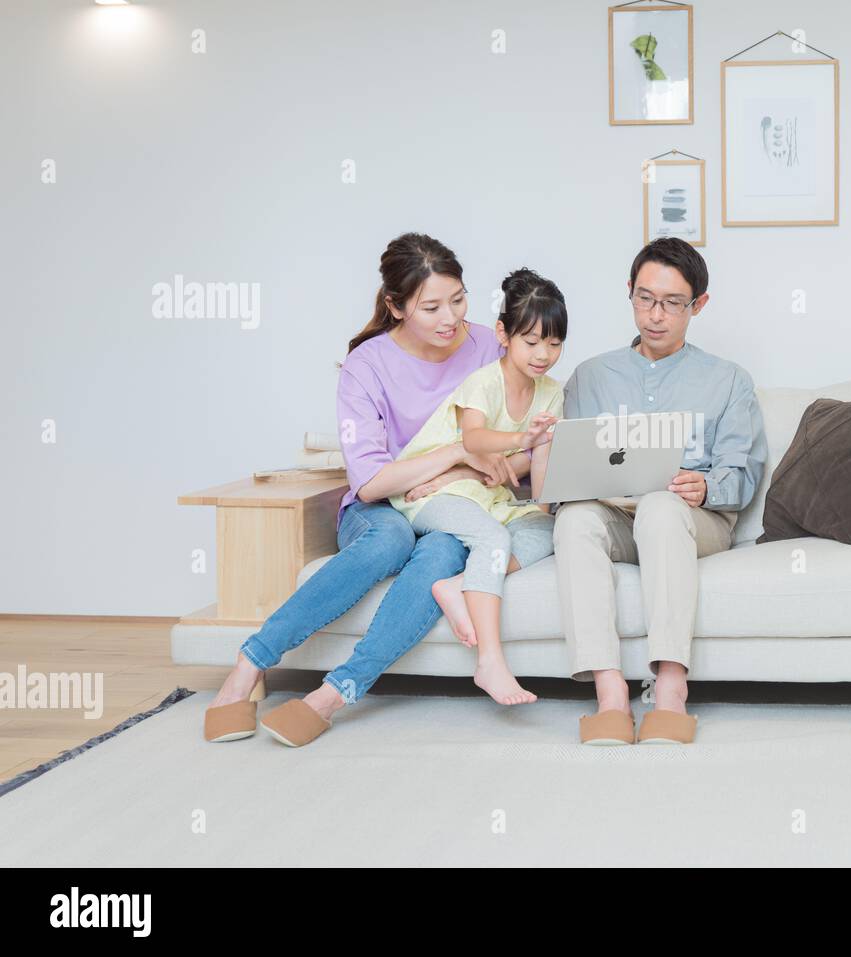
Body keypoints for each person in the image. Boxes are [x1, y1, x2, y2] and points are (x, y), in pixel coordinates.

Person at [204, 233, 529, 748]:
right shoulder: (367, 365)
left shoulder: (491, 347)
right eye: (431, 307)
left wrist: (478, 468)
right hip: (378, 509)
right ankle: (249, 665)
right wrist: (455, 453)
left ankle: (334, 693)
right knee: (391, 541)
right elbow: (372, 482)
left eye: (459, 299)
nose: (451, 319)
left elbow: (521, 434)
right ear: (396, 306)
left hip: (453, 506)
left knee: (443, 549)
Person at [554, 238, 767, 746]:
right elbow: (566, 470)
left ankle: (671, 687)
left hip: (692, 520)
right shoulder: (590, 376)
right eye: (645, 298)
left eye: (673, 303)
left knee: (661, 505)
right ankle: (609, 694)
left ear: (698, 305)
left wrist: (706, 484)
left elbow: (741, 478)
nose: (656, 315)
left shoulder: (729, 380)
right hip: (614, 514)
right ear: (629, 293)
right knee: (575, 519)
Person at [392, 269, 567, 706]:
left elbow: (538, 466)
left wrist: (543, 507)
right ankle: (490, 662)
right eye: (531, 341)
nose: (543, 354)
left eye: (554, 342)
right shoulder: (485, 382)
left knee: (552, 530)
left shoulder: (551, 393)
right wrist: (522, 441)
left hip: (489, 494)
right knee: (493, 537)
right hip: (432, 492)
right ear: (503, 334)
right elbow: (473, 440)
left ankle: (456, 585)